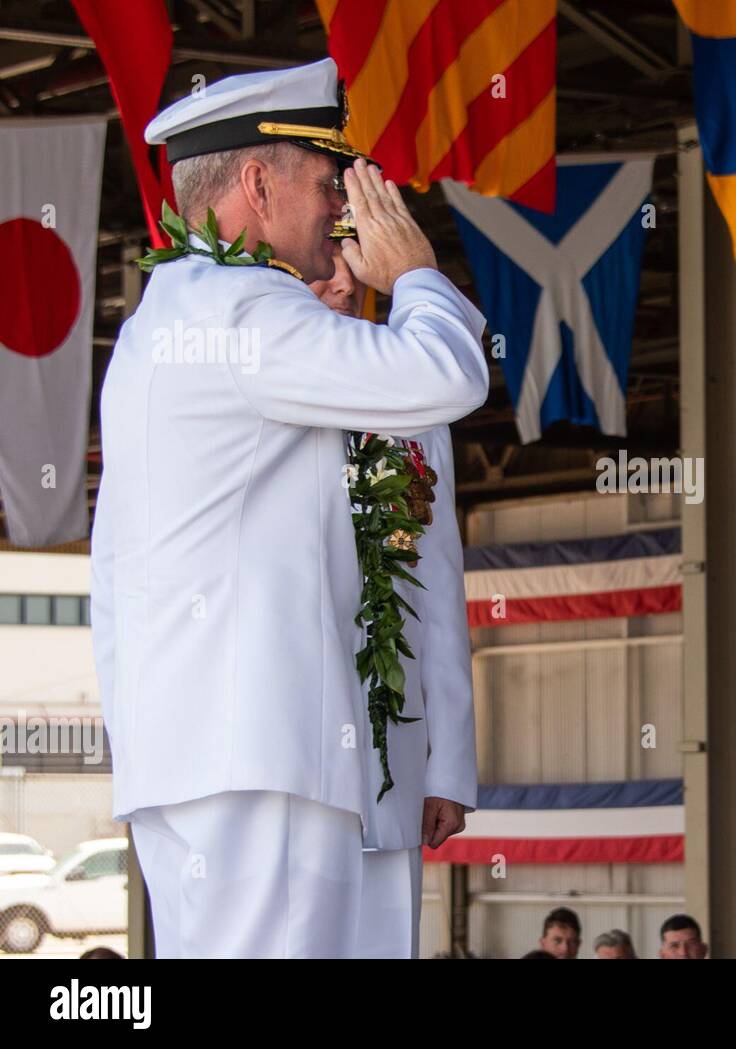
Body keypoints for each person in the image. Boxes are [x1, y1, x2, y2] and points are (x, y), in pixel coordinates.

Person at [90, 58, 489, 958]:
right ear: (259, 184)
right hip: (262, 755)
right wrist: (416, 274)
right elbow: (448, 375)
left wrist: (149, 738)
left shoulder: (167, 319)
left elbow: (111, 575)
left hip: (218, 757)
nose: (341, 211)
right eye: (324, 182)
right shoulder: (242, 309)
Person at [308, 242, 477, 958]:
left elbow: (437, 584)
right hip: (283, 742)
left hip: (389, 749)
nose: (343, 283)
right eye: (323, 258)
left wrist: (450, 767)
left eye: (354, 261)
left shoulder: (406, 392)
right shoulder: (237, 370)